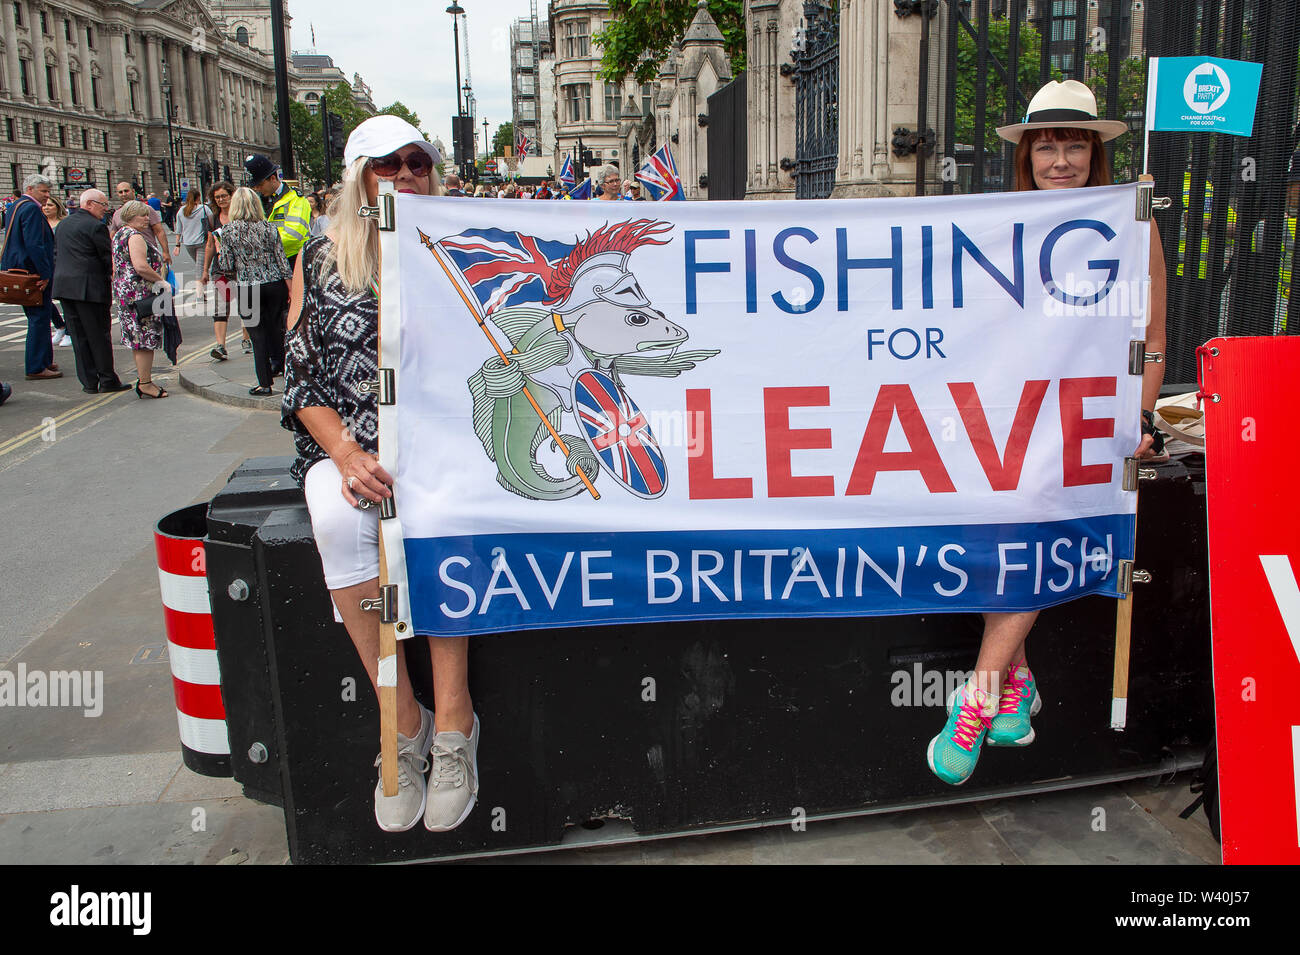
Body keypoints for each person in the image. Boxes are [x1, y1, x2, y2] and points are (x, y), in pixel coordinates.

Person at [924, 80, 1168, 787]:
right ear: (1027, 155)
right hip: (1009, 413)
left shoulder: (1132, 219)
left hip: (1086, 420)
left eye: (1076, 146)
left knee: (1029, 528)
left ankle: (977, 698)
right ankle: (1016, 684)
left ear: (1096, 153)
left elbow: (1152, 337)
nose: (1062, 160)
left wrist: (1143, 413)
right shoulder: (1002, 218)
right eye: (1049, 146)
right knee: (987, 528)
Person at [282, 114, 479, 834]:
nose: (401, 175)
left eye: (414, 162)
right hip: (347, 443)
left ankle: (455, 720)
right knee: (340, 518)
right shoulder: (321, 255)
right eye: (383, 165)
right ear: (357, 176)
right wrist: (345, 452)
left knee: (443, 510)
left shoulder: (459, 247)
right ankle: (402, 719)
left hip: (439, 438)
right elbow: (299, 381)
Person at [52, 189, 130, 394]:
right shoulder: (96, 226)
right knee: (98, 336)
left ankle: (88, 382)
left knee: (78, 337)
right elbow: (106, 258)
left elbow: (56, 254)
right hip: (90, 289)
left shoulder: (63, 224)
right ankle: (107, 380)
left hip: (65, 288)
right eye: (102, 205)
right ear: (89, 204)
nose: (105, 209)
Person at [216, 187, 291, 396]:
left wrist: (220, 247)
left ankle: (265, 384)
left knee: (257, 336)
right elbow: (282, 260)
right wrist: (291, 288)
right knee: (278, 333)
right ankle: (290, 378)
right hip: (275, 284)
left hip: (249, 287)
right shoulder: (269, 227)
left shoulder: (229, 231)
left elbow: (227, 265)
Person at [1, 174, 61, 380]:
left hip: (18, 268)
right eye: (43, 191)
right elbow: (35, 244)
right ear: (29, 189)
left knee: (40, 317)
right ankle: (36, 366)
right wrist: (45, 273)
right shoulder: (32, 209)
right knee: (38, 318)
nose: (47, 196)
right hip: (32, 272)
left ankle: (44, 360)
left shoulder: (15, 206)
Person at [111, 199, 170, 398]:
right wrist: (162, 281)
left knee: (137, 340)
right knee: (145, 339)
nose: (147, 218)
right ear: (130, 216)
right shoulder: (135, 236)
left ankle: (144, 379)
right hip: (140, 295)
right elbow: (141, 266)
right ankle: (145, 383)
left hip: (125, 293)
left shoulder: (120, 234)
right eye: (142, 215)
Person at [200, 181, 249, 361]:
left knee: (245, 304)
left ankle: (246, 339)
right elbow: (209, 244)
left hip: (242, 268)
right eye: (217, 197)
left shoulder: (241, 216)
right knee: (221, 306)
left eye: (224, 196)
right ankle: (221, 346)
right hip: (221, 270)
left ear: (231, 196)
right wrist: (205, 270)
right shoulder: (212, 220)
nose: (221, 200)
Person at [111, 182, 171, 269]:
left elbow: (159, 231)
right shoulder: (117, 214)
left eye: (126, 191)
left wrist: (165, 252)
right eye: (120, 192)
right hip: (127, 258)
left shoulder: (146, 209)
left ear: (133, 191)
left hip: (148, 254)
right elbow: (113, 236)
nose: (124, 194)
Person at [42, 194, 72, 348]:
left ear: (57, 207)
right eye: (45, 205)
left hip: (60, 265)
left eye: (50, 205)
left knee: (65, 299)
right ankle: (59, 326)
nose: (46, 207)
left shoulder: (63, 223)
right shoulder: (40, 222)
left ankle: (68, 331)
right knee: (44, 298)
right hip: (45, 265)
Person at [172, 188, 211, 271]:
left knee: (199, 264)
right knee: (200, 267)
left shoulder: (181, 211)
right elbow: (212, 223)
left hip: (188, 243)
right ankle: (200, 282)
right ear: (198, 197)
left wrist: (177, 245)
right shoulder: (204, 208)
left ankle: (204, 278)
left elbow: (179, 230)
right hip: (201, 241)